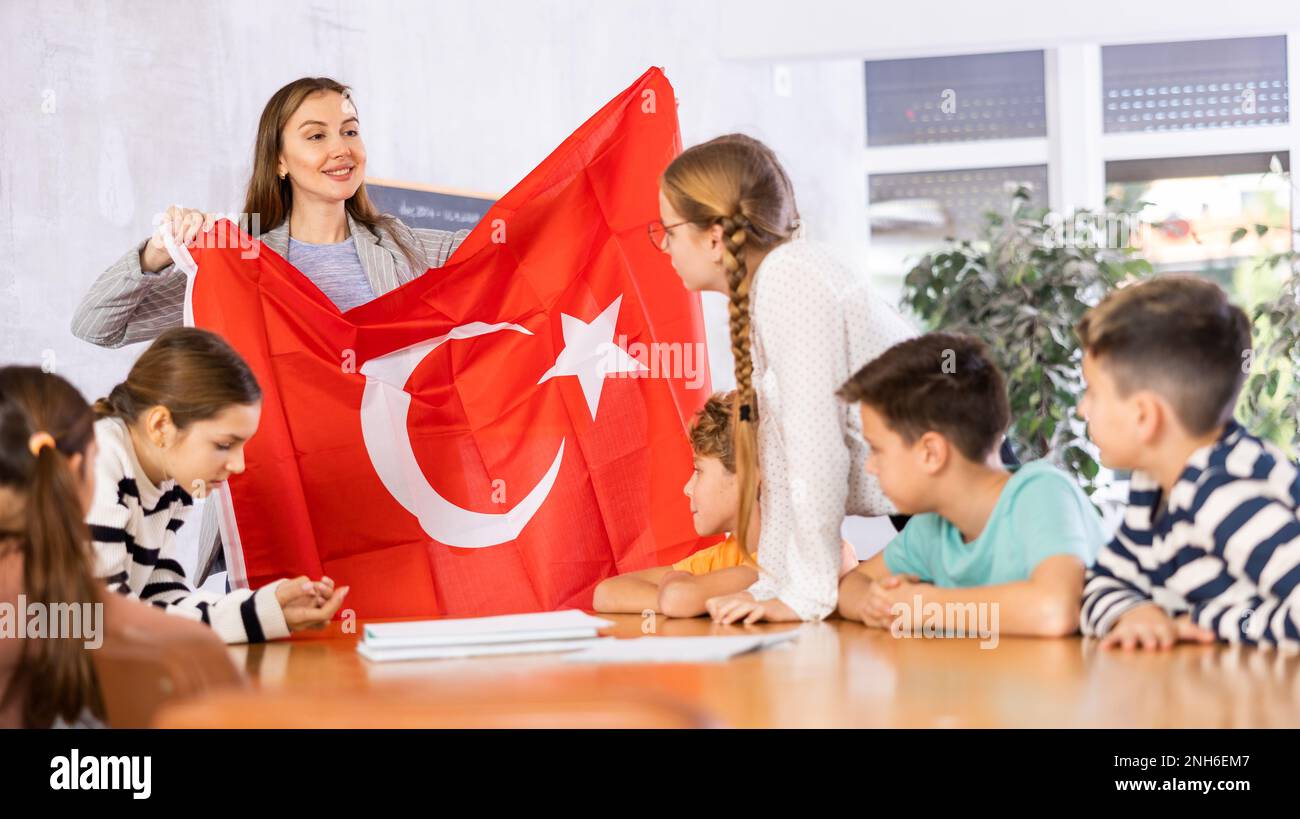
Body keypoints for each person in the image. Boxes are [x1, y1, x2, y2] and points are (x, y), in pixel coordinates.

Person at [653, 134, 914, 624]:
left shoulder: (792, 279)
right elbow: (779, 465)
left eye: (668, 230)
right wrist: (774, 584)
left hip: (962, 508)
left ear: (713, 237)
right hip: (927, 515)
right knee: (856, 602)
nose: (664, 246)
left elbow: (817, 454)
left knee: (853, 604)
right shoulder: (773, 285)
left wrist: (804, 596)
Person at [1076, 275, 1300, 650]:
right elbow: (1101, 581)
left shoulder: (1225, 494)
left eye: (1092, 392)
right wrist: (1131, 613)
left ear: (1145, 417)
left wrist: (1202, 622)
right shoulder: (1152, 487)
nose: (1083, 409)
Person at [88, 327, 347, 644]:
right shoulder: (94, 464)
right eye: (224, 444)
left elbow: (158, 597)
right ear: (160, 426)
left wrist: (268, 610)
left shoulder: (171, 483)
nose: (238, 465)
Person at [835, 334, 1104, 637]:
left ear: (931, 453)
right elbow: (852, 586)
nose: (870, 466)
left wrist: (929, 606)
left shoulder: (1042, 495)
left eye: (877, 449)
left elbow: (1054, 611)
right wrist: (874, 604)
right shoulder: (933, 527)